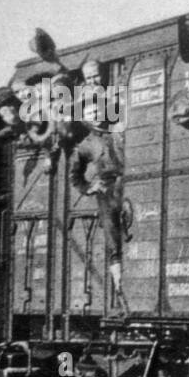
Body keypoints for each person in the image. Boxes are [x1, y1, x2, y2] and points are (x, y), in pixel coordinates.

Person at [64, 118, 130, 314]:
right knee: (113, 238)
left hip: (133, 181)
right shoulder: (86, 144)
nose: (95, 115)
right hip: (108, 189)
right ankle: (120, 287)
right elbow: (74, 175)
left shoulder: (122, 127)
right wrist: (88, 188)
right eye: (90, 113)